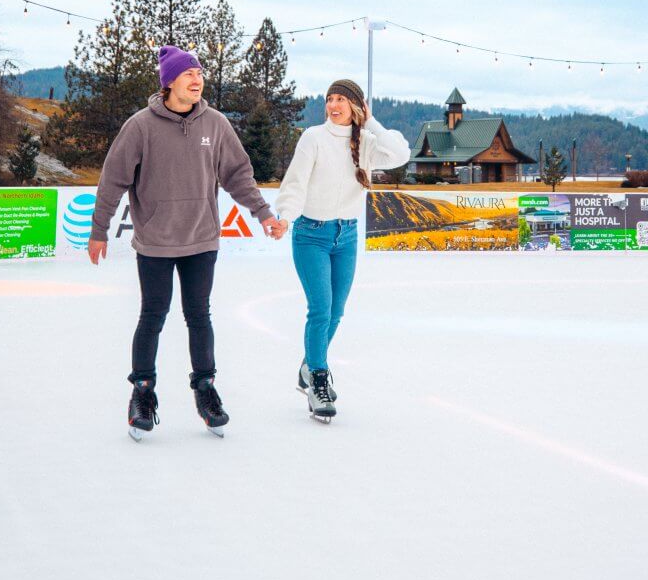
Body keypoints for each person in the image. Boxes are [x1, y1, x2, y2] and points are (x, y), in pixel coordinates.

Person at [87, 45, 284, 439]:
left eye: (200, 73)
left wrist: (263, 212)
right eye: (189, 74)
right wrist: (99, 230)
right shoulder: (140, 126)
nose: (198, 80)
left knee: (199, 315)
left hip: (201, 239)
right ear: (169, 82)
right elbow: (113, 180)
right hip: (156, 241)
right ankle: (142, 392)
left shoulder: (216, 124)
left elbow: (238, 175)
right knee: (153, 316)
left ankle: (205, 389)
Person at [274, 78, 410, 420]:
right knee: (320, 308)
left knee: (336, 312)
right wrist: (285, 217)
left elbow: (400, 154)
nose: (334, 105)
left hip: (346, 235)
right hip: (311, 234)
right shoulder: (313, 138)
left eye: (341, 100)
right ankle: (318, 379)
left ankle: (309, 365)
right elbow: (295, 182)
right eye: (330, 99)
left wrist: (371, 121)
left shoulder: (365, 142)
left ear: (355, 106)